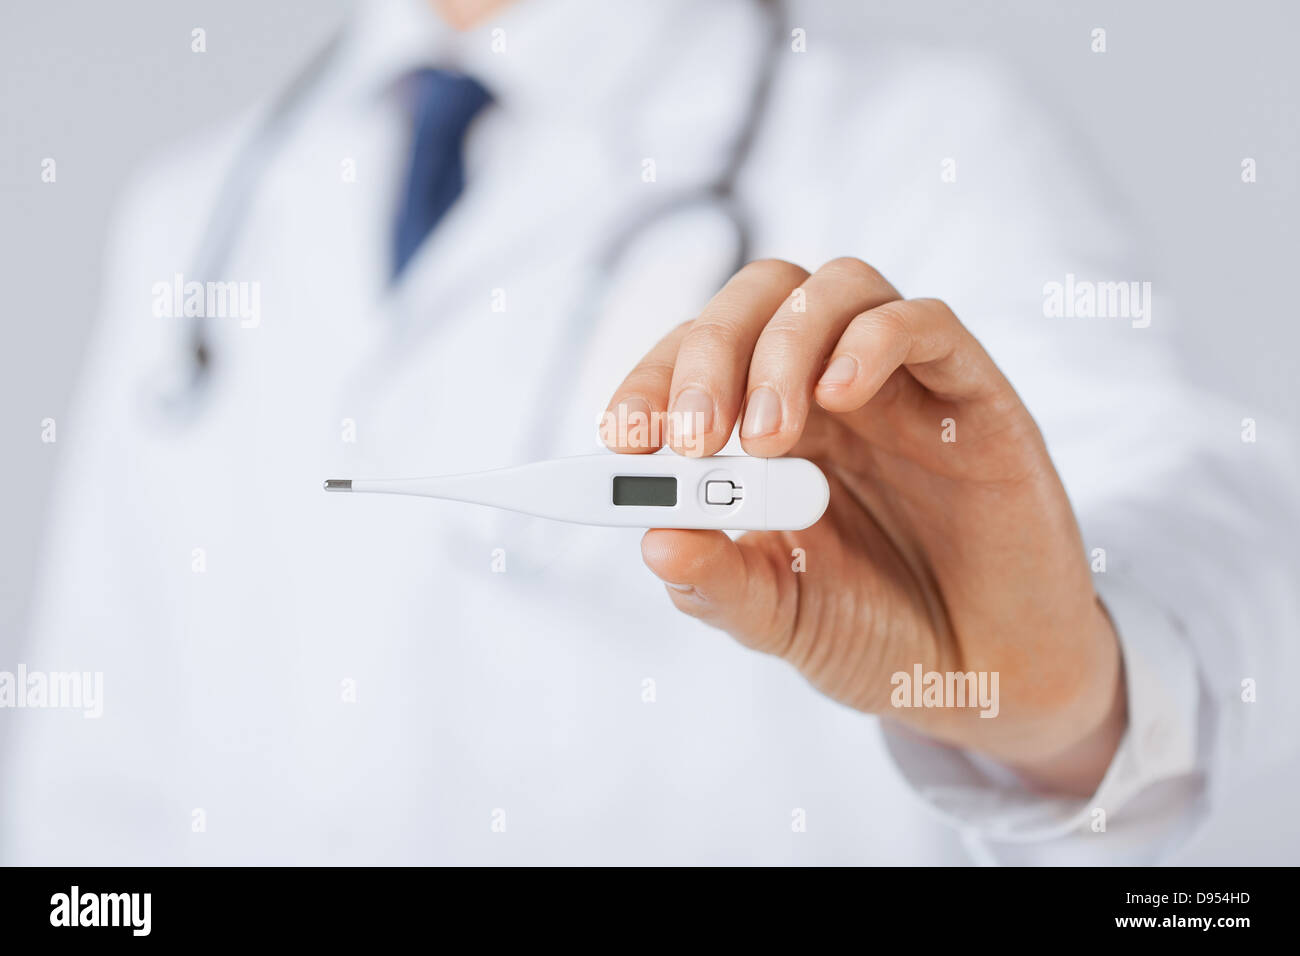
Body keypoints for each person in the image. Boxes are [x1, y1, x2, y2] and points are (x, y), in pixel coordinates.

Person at [4, 0, 1295, 865]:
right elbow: (97, 773)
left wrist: (1072, 693)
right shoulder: (196, 212)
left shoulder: (919, 140)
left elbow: (1218, 521)